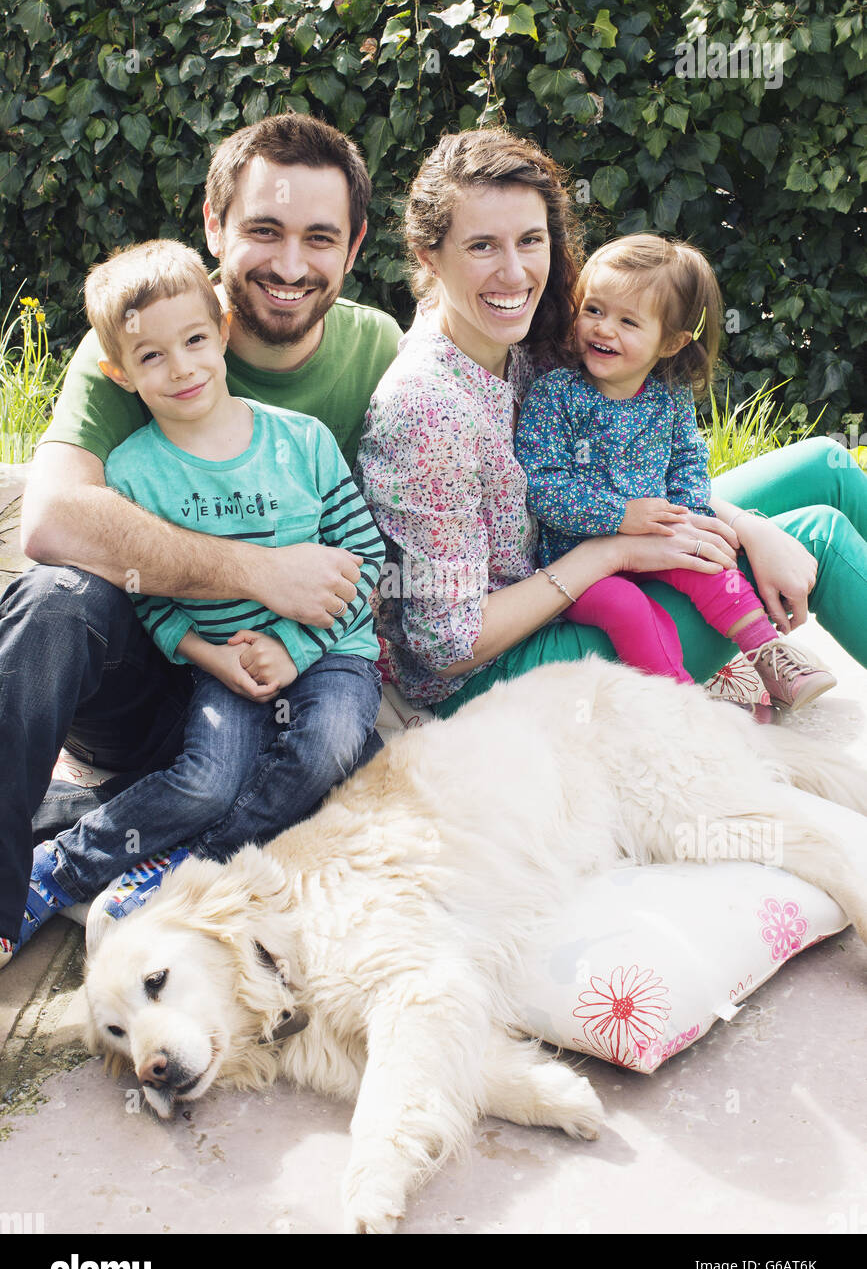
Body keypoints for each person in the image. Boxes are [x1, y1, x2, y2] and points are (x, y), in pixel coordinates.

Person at [0, 113, 400, 962]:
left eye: (318, 238)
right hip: (166, 674)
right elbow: (49, 522)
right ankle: (14, 887)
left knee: (338, 747)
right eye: (263, 230)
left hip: (302, 666)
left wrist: (720, 517)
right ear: (215, 225)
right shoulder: (132, 339)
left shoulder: (377, 352)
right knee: (52, 600)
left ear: (355, 245)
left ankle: (152, 848)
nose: (290, 265)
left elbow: (445, 497)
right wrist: (259, 572)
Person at [357, 127, 867, 722]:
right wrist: (615, 552)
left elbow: (636, 469)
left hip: (593, 539)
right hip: (501, 668)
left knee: (824, 465)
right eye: (481, 247)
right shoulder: (427, 409)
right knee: (819, 535)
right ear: (428, 256)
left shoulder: (523, 339)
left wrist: (749, 529)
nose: (515, 272)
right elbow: (449, 648)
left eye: (530, 240)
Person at [515, 234, 835, 715]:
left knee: (711, 565)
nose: (604, 330)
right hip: (579, 557)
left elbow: (689, 459)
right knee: (629, 610)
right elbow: (541, 484)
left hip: (656, 541)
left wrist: (687, 516)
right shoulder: (557, 394)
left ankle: (767, 652)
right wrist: (618, 515)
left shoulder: (667, 397)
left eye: (628, 321)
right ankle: (684, 707)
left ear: (670, 342)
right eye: (595, 310)